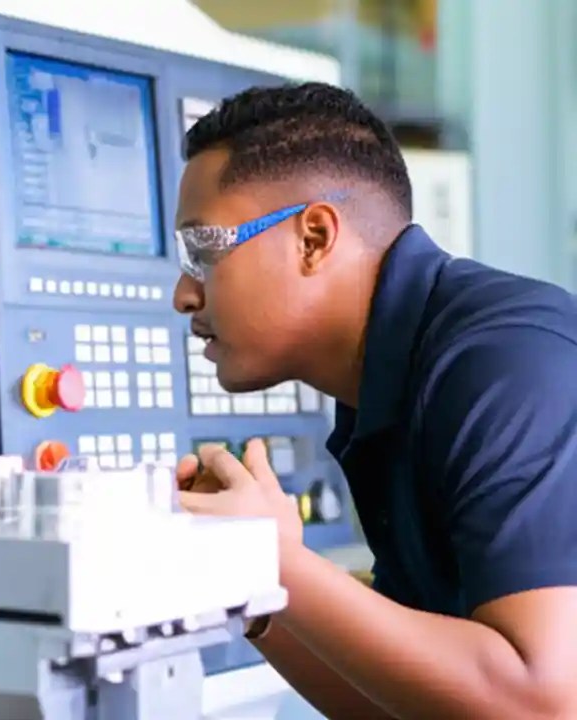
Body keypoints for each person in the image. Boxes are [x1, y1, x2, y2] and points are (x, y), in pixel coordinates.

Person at [172, 81, 577, 719]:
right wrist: (251, 591)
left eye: (203, 251)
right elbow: (398, 706)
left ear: (313, 238)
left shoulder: (503, 363)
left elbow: (539, 703)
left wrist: (277, 562)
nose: (184, 295)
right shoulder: (386, 389)